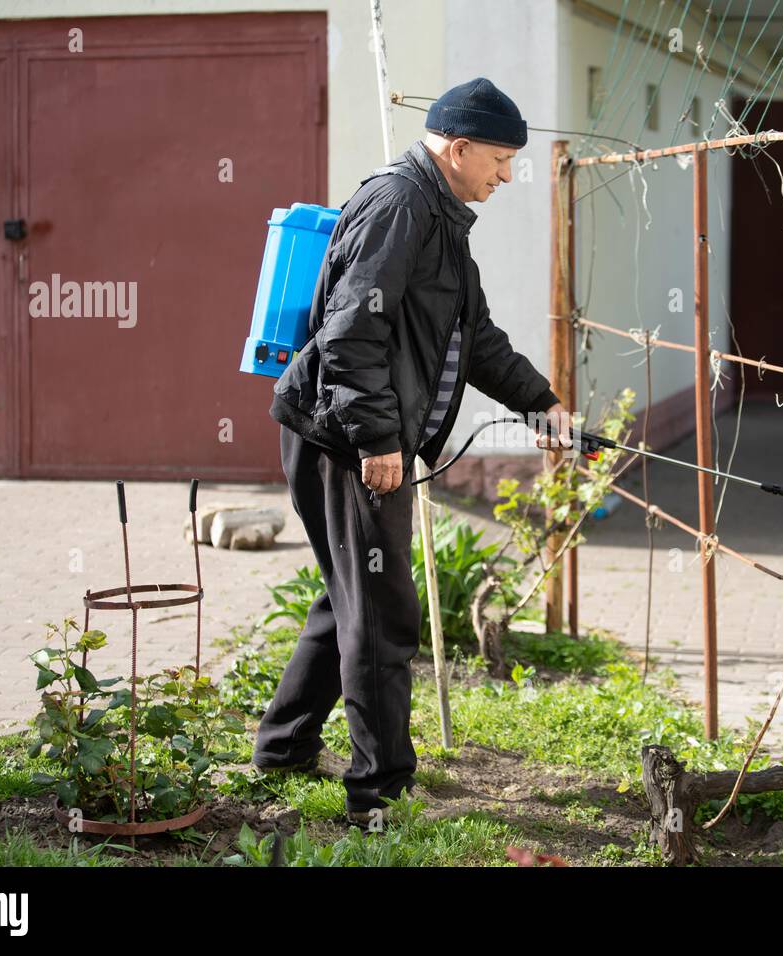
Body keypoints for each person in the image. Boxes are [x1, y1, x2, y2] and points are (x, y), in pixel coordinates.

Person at [257, 77, 572, 826]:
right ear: (457, 149)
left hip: (359, 435)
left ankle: (283, 749)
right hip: (345, 440)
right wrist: (378, 439)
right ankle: (380, 793)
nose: (505, 176)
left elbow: (479, 339)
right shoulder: (400, 205)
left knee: (350, 602)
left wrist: (544, 405)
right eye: (499, 160)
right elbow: (349, 330)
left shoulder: (443, 218)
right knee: (382, 613)